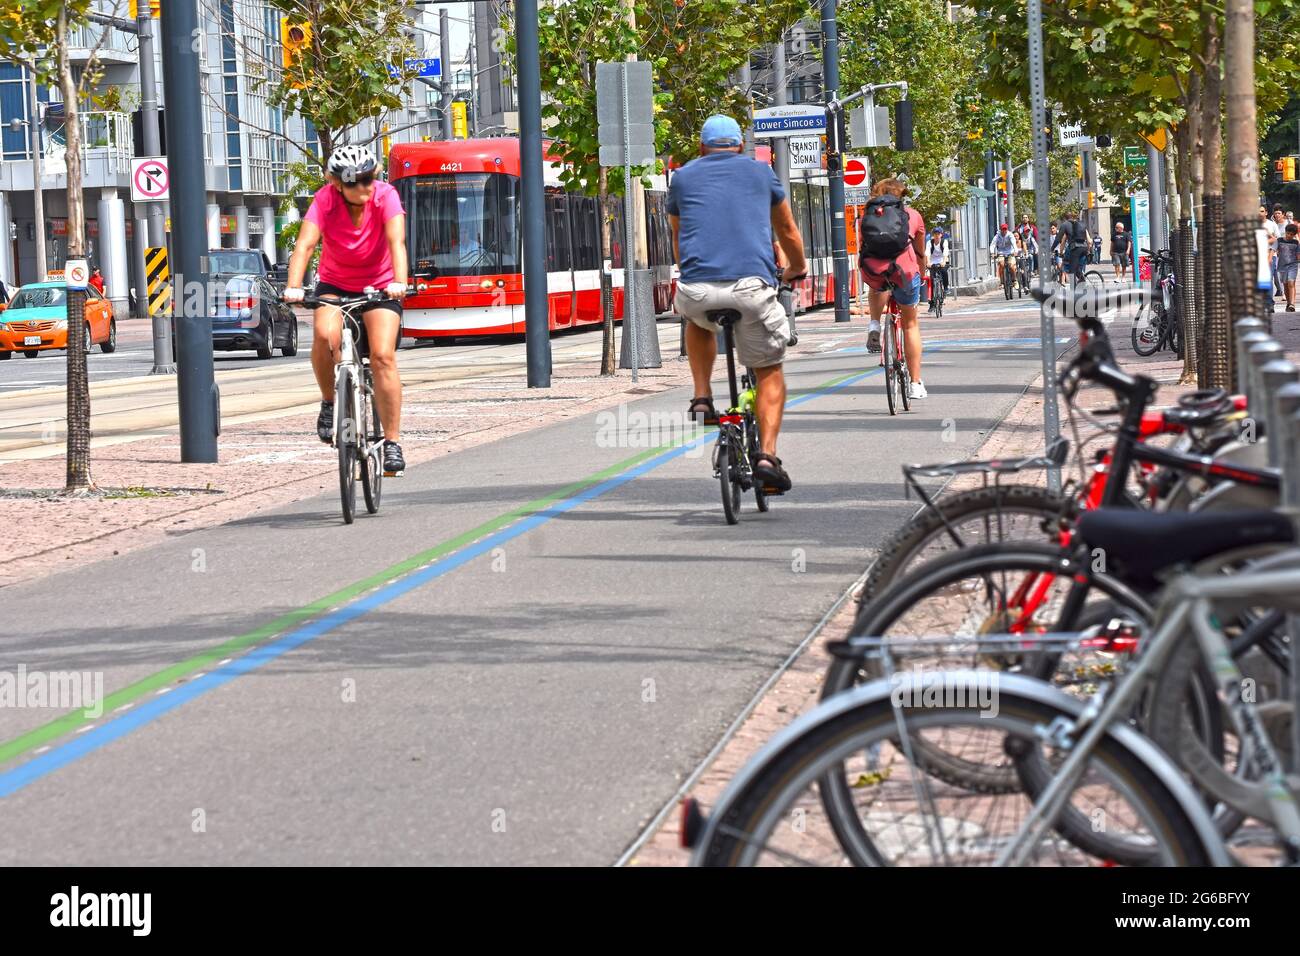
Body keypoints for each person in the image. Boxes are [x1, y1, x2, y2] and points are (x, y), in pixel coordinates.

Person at [668, 114, 808, 493]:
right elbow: (788, 231)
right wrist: (796, 267)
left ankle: (701, 396)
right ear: (741, 147)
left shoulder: (681, 177)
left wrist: (695, 273)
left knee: (696, 322)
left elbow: (679, 239)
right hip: (750, 287)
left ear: (701, 147)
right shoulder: (761, 173)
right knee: (769, 370)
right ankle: (767, 456)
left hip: (697, 288)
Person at [283, 144, 410, 477]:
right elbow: (305, 245)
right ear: (337, 183)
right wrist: (293, 286)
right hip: (335, 284)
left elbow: (396, 242)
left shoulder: (386, 196)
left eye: (369, 178)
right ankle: (329, 402)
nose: (365, 187)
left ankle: (393, 441)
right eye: (356, 181)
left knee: (382, 355)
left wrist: (399, 281)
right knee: (325, 337)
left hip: (382, 285)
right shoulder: (325, 199)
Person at [860, 177, 928, 399]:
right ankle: (916, 383)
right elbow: (920, 252)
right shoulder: (913, 215)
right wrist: (922, 273)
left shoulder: (866, 216)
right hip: (905, 272)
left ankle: (874, 325)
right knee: (910, 324)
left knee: (877, 284)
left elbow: (864, 248)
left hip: (875, 271)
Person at [1057, 210, 1090, 284]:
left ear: (1065, 219)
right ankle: (1082, 281)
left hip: (1075, 248)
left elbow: (1062, 243)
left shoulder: (1068, 227)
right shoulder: (1082, 227)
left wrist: (1061, 253)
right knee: (1077, 266)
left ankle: (1073, 292)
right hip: (1084, 248)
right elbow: (1089, 241)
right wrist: (1089, 250)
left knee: (1072, 271)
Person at [926, 226, 950, 313]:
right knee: (932, 281)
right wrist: (928, 262)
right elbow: (927, 253)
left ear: (941, 235)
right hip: (932, 262)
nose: (937, 235)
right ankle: (932, 304)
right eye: (935, 234)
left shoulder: (944, 242)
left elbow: (945, 253)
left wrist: (943, 262)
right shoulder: (929, 242)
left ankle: (946, 287)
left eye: (938, 234)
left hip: (942, 260)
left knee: (944, 271)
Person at [1277, 222, 1300, 312]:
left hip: (1293, 265)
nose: (1289, 236)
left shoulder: (1296, 242)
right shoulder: (1279, 240)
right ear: (1285, 232)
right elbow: (1274, 249)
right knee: (1286, 285)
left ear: (1294, 235)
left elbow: (1298, 255)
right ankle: (1288, 303)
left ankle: (1292, 304)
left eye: (1291, 234)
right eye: (1288, 233)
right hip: (1282, 266)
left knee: (1291, 283)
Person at [989, 222, 1018, 287]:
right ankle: (1002, 281)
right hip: (1001, 252)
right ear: (1001, 229)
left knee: (1011, 266)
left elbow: (1014, 243)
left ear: (1007, 229)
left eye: (1005, 229)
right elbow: (992, 245)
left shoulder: (1010, 235)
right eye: (1003, 229)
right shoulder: (997, 236)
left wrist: (1015, 251)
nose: (1004, 231)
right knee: (1001, 264)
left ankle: (1014, 280)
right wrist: (992, 253)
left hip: (1010, 252)